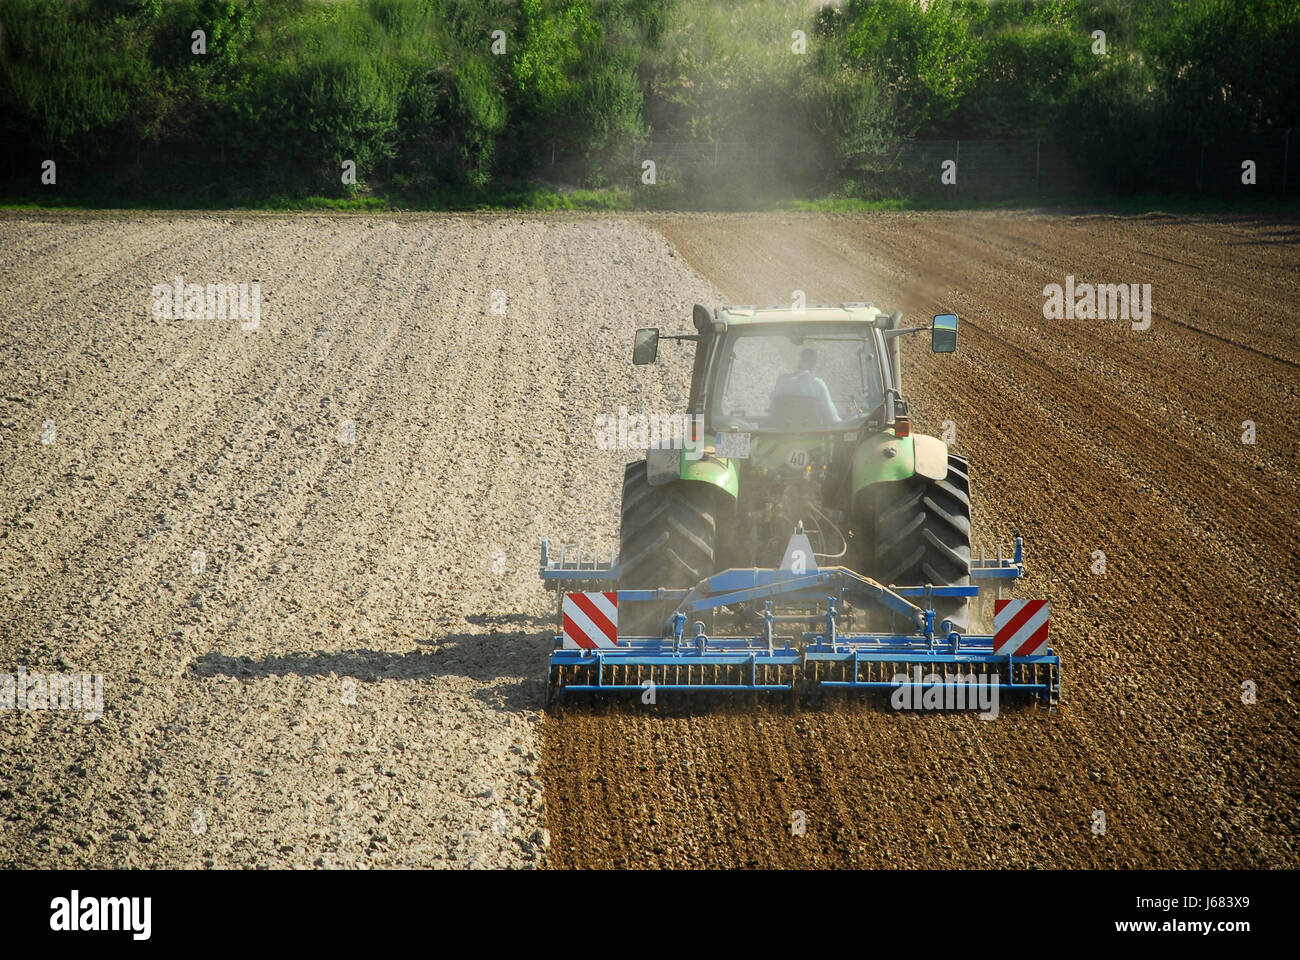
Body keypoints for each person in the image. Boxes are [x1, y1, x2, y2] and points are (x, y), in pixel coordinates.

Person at [770, 347, 840, 425]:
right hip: (812, 435)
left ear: (798, 361)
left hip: (780, 434)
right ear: (814, 363)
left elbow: (773, 411)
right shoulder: (817, 383)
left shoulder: (781, 380)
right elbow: (832, 417)